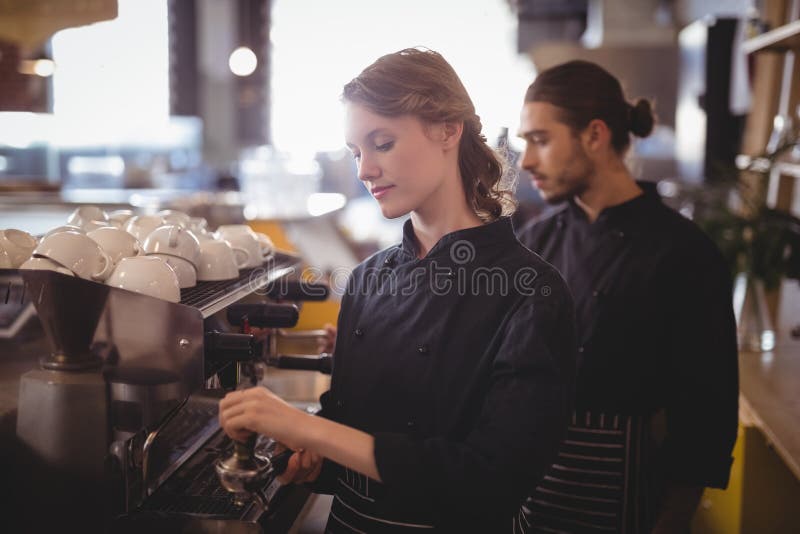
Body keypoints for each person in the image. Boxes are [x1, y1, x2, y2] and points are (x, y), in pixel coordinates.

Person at [219, 48, 577, 532]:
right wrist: (313, 458)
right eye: (356, 153)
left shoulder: (531, 293)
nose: (364, 170)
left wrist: (308, 427)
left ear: (449, 129)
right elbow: (348, 431)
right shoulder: (367, 279)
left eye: (381, 143)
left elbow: (492, 479)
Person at [515, 60, 739, 533]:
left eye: (540, 139)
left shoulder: (683, 252)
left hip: (629, 498)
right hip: (530, 495)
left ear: (594, 135)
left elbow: (706, 411)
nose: (526, 162)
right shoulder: (533, 245)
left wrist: (673, 521)